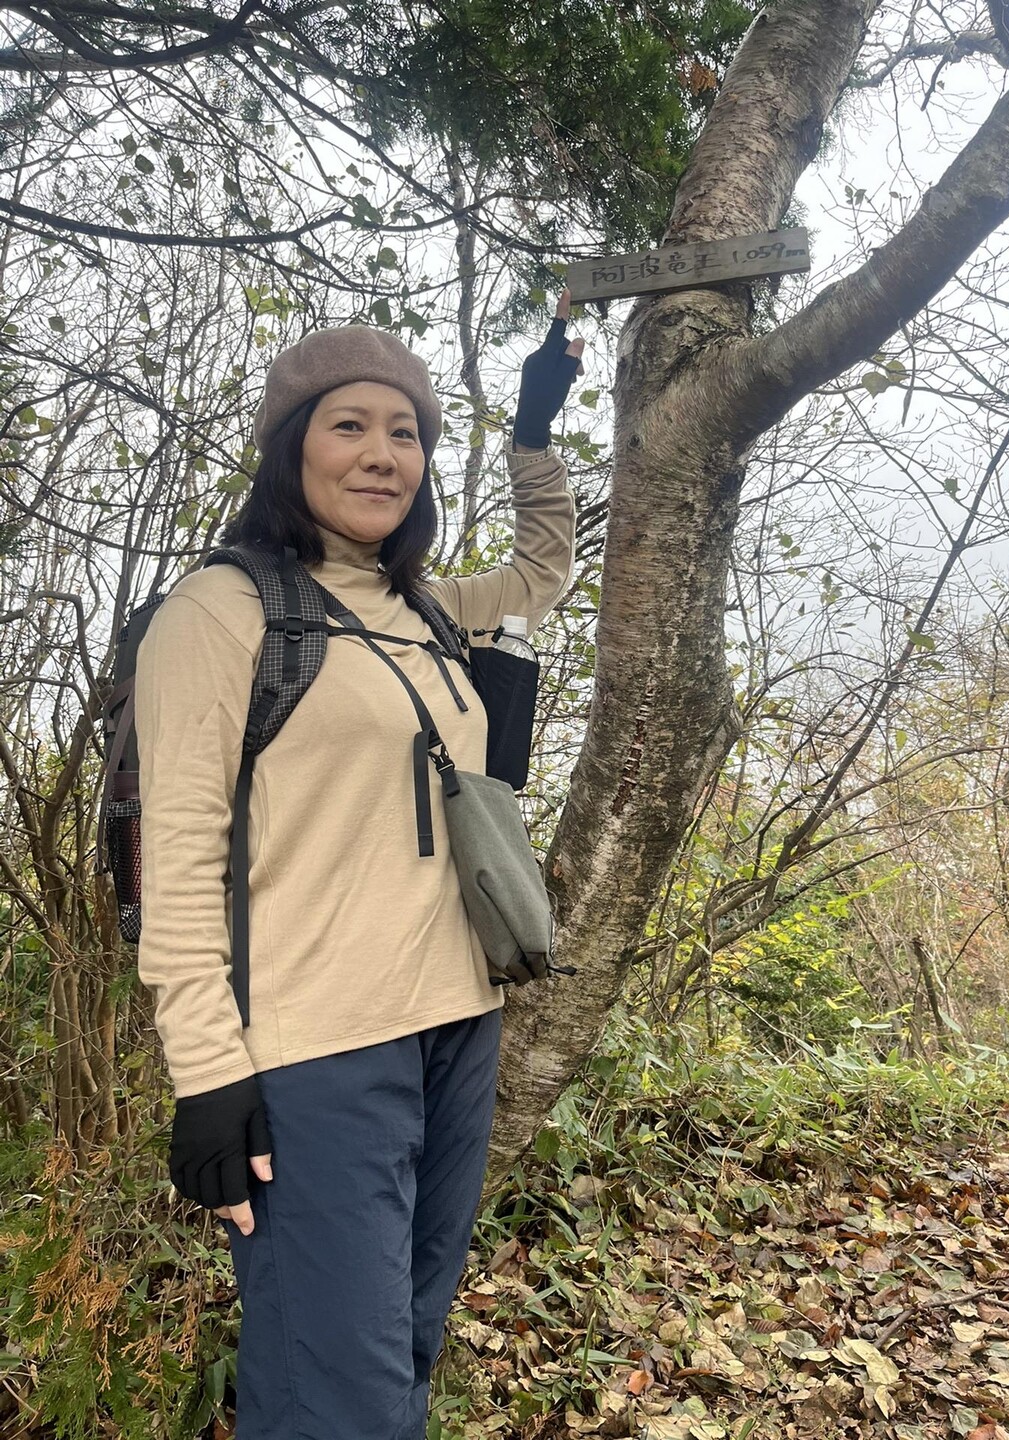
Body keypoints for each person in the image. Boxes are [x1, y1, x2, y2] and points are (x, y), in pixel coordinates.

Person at [133, 291, 584, 1440]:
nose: (385, 454)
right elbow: (177, 859)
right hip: (313, 1053)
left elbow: (543, 571)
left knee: (406, 1352)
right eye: (351, 426)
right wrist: (208, 1075)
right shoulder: (223, 610)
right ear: (293, 447)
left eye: (408, 432)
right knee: (341, 1386)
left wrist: (532, 439)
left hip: (457, 1025)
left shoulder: (421, 609)